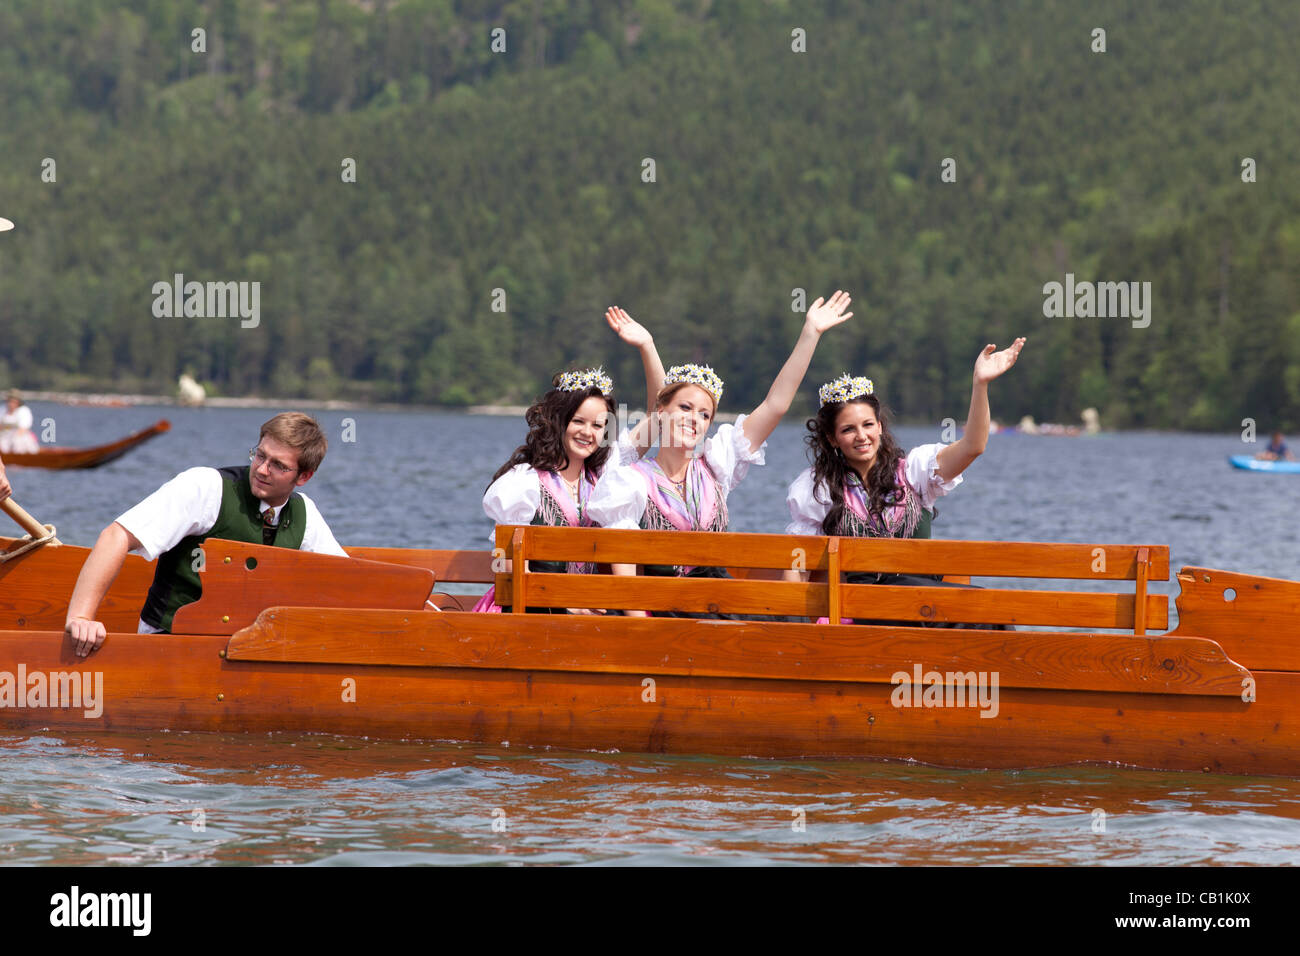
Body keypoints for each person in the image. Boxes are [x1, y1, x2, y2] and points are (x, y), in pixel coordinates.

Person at [587, 291, 853, 611]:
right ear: (660, 411)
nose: (694, 420)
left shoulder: (717, 462)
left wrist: (810, 333)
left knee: (785, 620)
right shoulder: (630, 482)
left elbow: (775, 405)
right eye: (685, 407)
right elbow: (624, 563)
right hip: (664, 609)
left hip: (718, 601)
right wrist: (638, 622)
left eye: (704, 415)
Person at [785, 338, 1026, 625]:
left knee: (991, 609)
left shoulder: (914, 471)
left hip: (919, 604)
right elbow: (797, 566)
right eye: (848, 429)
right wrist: (798, 634)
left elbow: (973, 446)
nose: (861, 436)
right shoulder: (819, 488)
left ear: (880, 426)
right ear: (831, 438)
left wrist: (980, 385)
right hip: (860, 612)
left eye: (868, 425)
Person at [64, 412, 347, 656]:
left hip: (250, 650)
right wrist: (80, 617)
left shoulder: (304, 514)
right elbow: (116, 536)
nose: (261, 469)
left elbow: (345, 582)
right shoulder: (205, 487)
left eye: (278, 465)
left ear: (304, 477)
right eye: (260, 455)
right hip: (170, 643)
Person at [475, 307, 665, 613]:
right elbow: (504, 564)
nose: (587, 432)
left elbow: (659, 417)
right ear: (560, 421)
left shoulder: (606, 472)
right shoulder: (523, 482)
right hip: (530, 608)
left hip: (587, 610)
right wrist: (562, 601)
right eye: (579, 421)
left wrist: (647, 346)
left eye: (597, 425)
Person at [0, 390, 38, 454]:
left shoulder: (23, 411)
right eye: (10, 401)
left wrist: (12, 438)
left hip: (20, 437)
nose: (11, 404)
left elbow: (23, 429)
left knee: (17, 442)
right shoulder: (2, 409)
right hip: (4, 436)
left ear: (18, 402)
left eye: (14, 401)